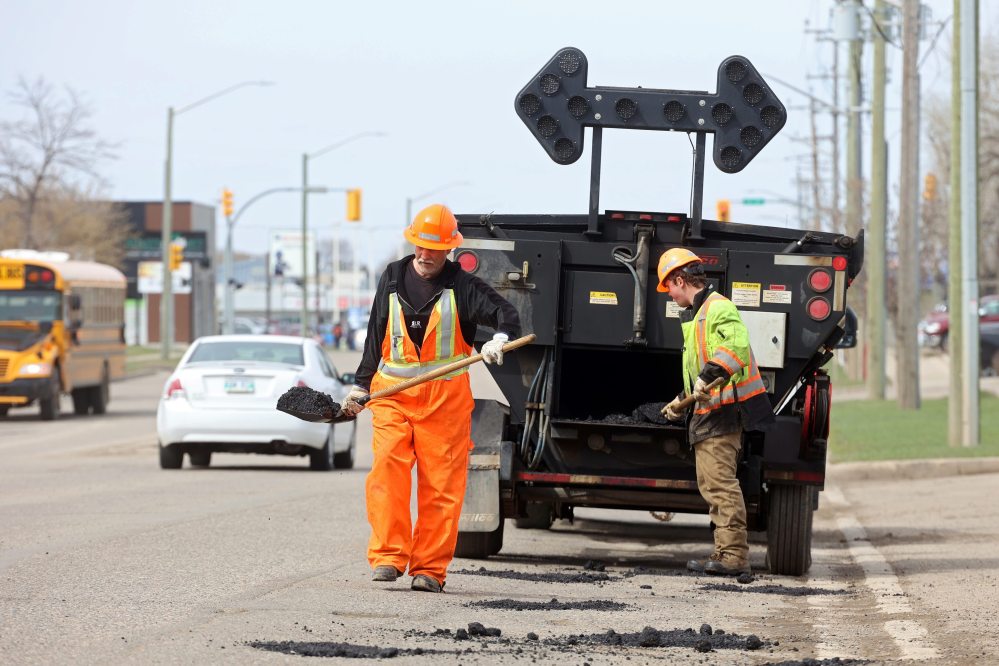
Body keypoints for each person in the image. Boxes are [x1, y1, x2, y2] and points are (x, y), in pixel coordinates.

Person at [342, 203, 521, 593]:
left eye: (435, 249)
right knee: (387, 469)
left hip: (445, 402)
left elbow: (507, 314)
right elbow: (376, 330)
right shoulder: (392, 276)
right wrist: (360, 384)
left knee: (441, 486)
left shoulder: (463, 285)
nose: (425, 255)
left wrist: (499, 339)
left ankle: (429, 569)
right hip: (393, 394)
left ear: (449, 248)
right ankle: (388, 557)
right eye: (420, 246)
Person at [657, 248, 773, 576]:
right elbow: (700, 371)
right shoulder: (699, 315)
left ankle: (734, 555)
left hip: (723, 413)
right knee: (712, 484)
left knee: (720, 484)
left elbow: (735, 346)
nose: (669, 294)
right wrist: (682, 399)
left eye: (669, 287)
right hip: (709, 411)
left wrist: (707, 376)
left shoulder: (717, 307)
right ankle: (724, 551)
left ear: (680, 280)